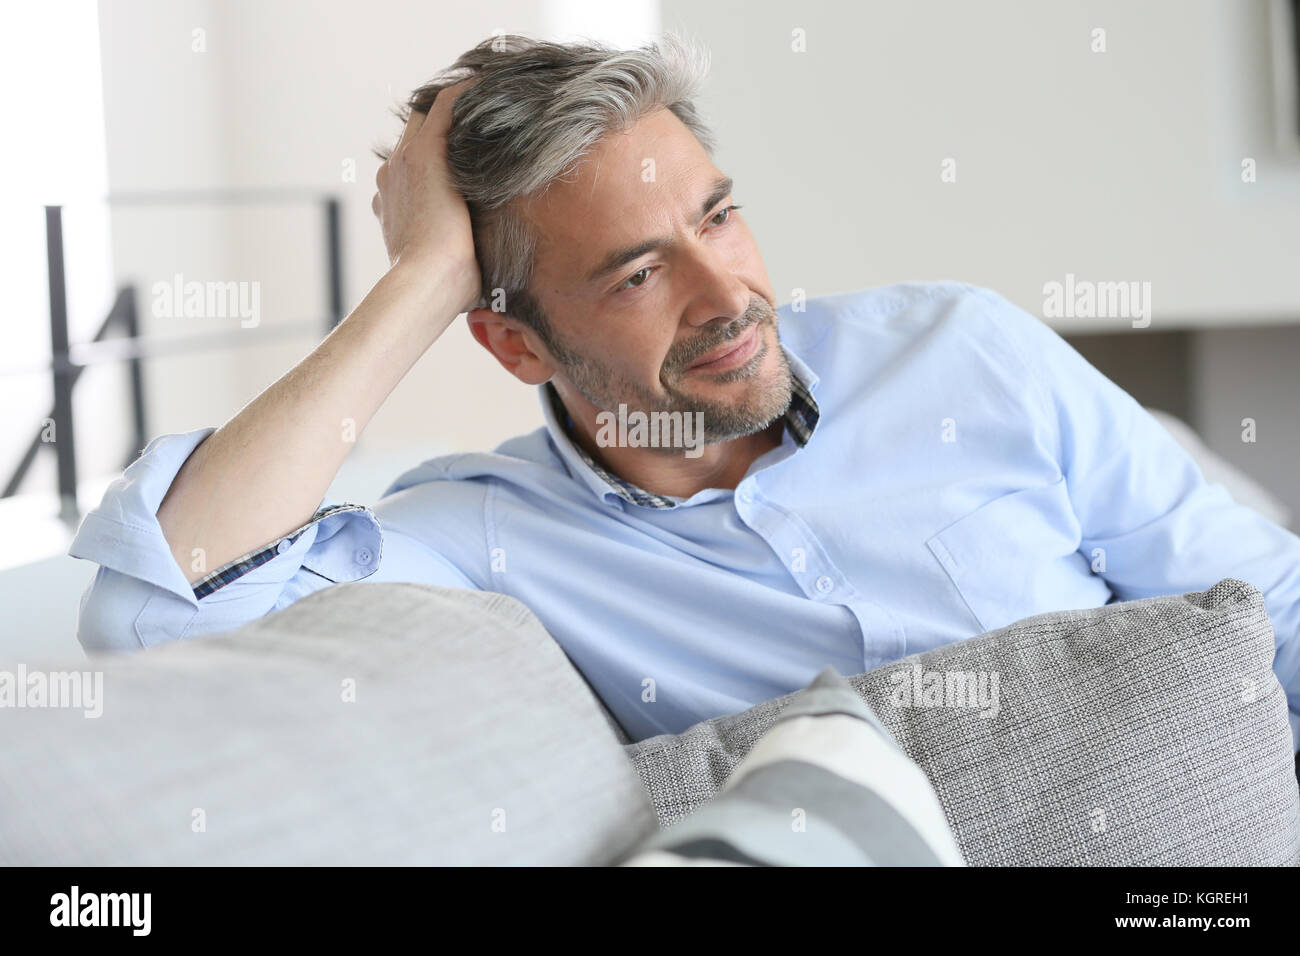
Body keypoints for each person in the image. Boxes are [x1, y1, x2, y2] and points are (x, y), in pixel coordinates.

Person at [71, 34, 1300, 746]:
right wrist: (429, 276)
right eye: (638, 271)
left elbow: (1271, 605)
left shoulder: (960, 351)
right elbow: (163, 610)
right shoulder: (494, 538)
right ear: (514, 347)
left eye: (718, 216)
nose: (727, 296)